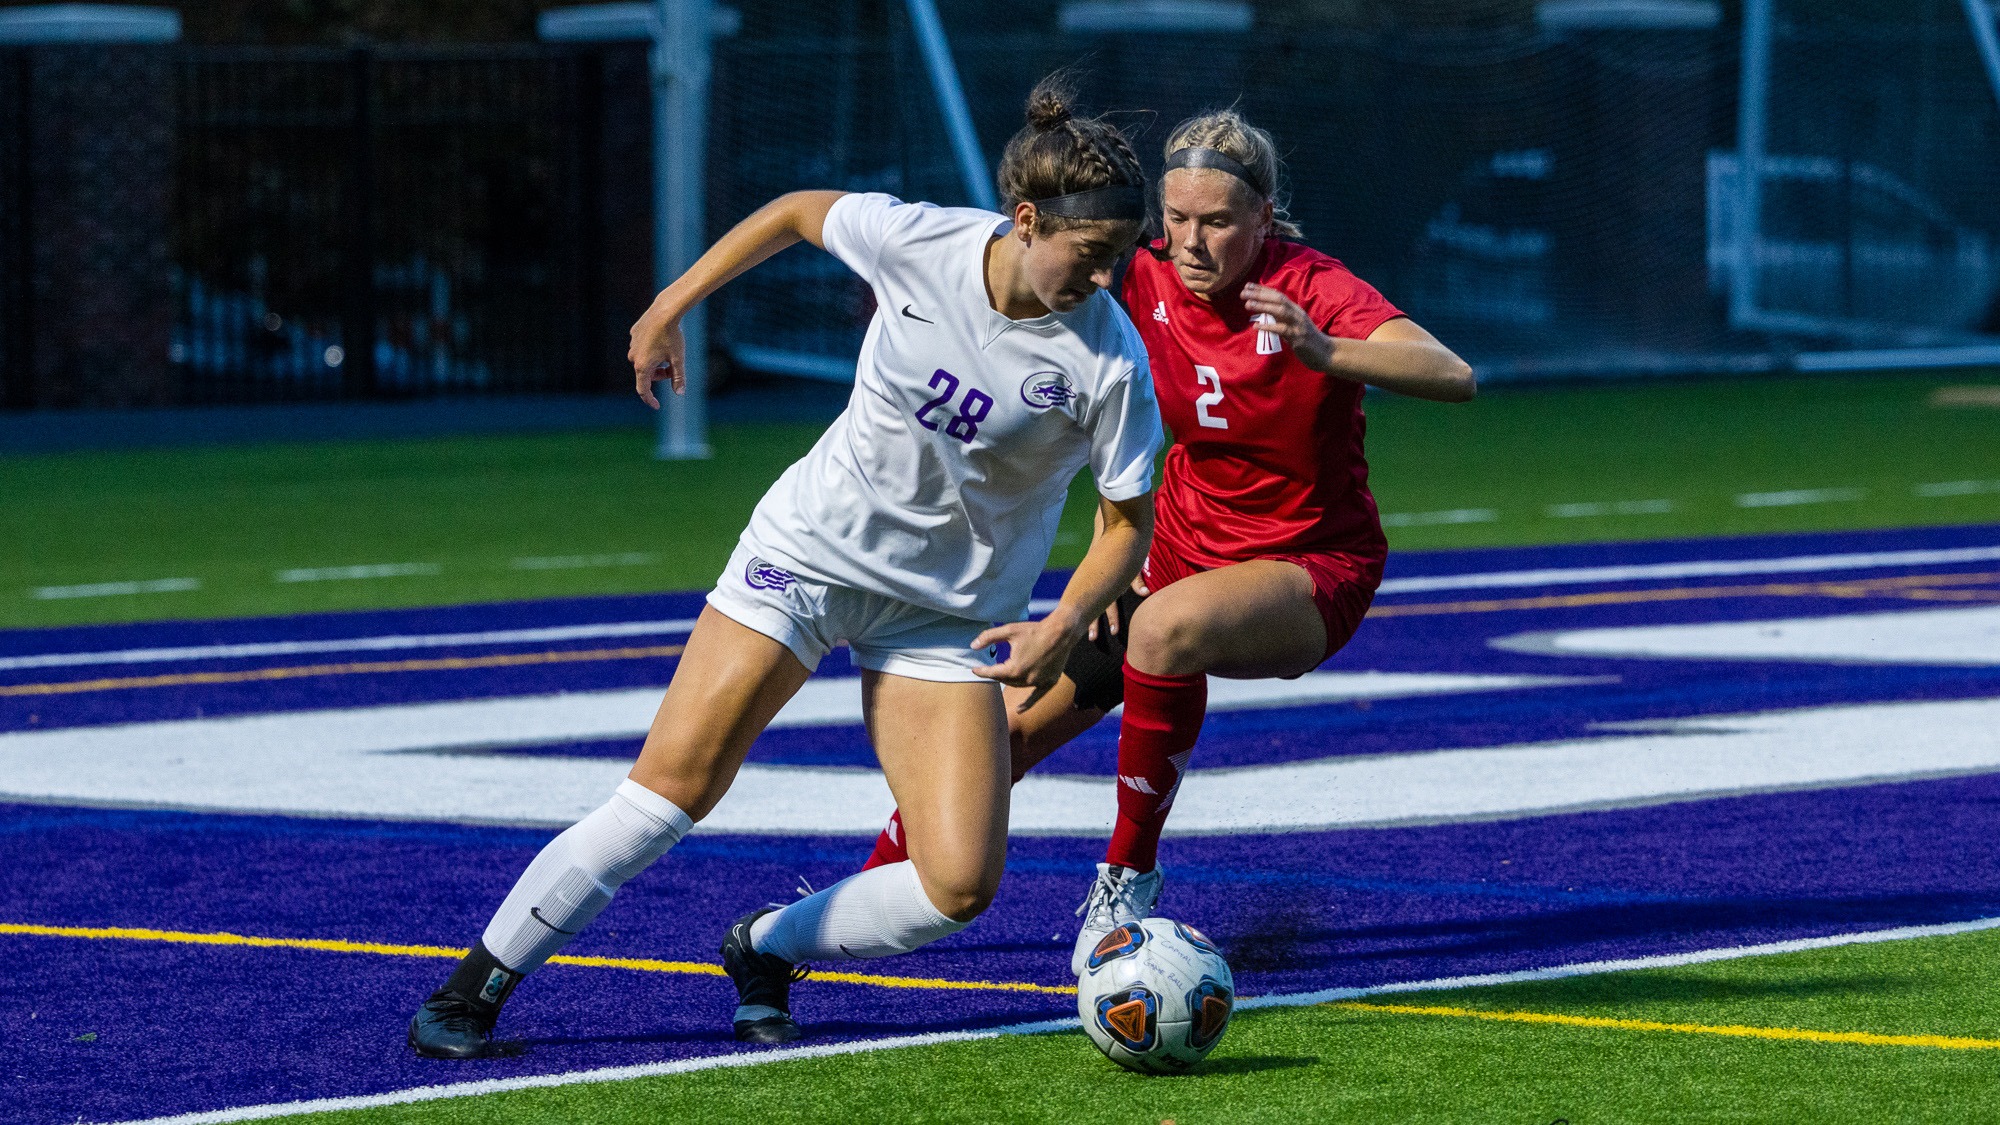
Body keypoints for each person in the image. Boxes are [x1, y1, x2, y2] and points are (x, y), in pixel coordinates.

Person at [406, 76, 1164, 1058]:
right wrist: (669, 304)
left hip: (944, 618)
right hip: (806, 557)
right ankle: (472, 990)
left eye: (1118, 261)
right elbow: (796, 214)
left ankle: (762, 947)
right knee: (667, 795)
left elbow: (1124, 525)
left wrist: (1061, 623)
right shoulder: (919, 241)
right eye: (1091, 256)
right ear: (1024, 220)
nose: (1103, 282)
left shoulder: (1110, 361)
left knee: (958, 886)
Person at [857, 108, 1476, 973]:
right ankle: (856, 898)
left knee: (1161, 629)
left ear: (1265, 216)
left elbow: (1454, 374)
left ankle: (1128, 879)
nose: (1191, 241)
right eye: (1177, 219)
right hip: (1168, 563)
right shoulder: (1137, 279)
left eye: (1218, 222)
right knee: (995, 735)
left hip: (1308, 567)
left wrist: (1326, 351)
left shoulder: (1309, 285)